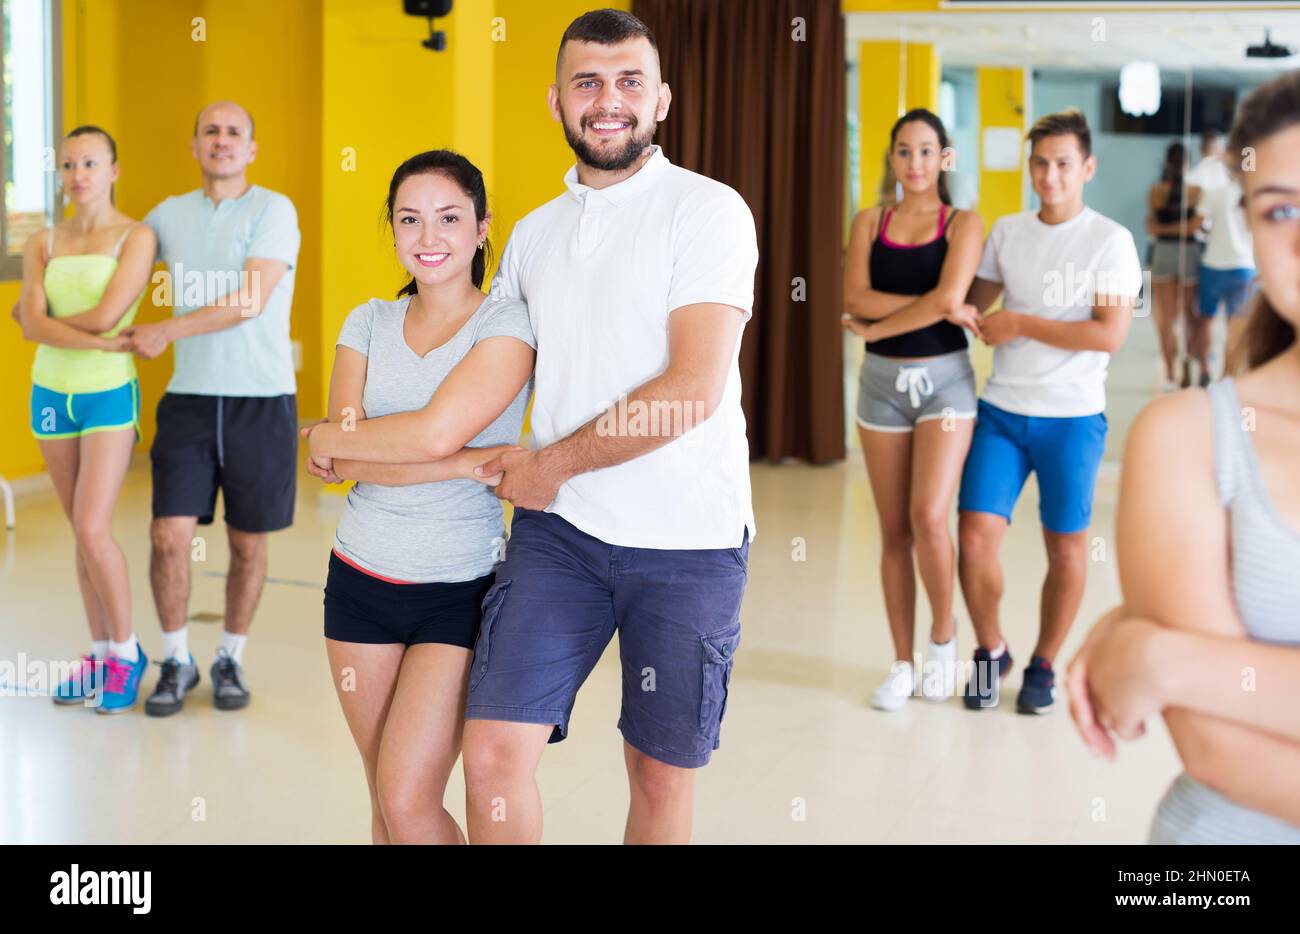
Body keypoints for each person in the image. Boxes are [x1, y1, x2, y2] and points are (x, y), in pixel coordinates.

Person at [1066, 71, 1300, 842]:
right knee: (1180, 333)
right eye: (1281, 209)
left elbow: (1175, 685)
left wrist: (1163, 659)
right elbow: (1216, 746)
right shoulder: (1187, 438)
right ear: (1254, 226)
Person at [302, 150, 535, 844]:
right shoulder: (366, 321)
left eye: (448, 218)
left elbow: (416, 435)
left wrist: (362, 443)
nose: (428, 237)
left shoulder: (508, 324)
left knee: (407, 798)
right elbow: (334, 455)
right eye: (409, 219)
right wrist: (465, 465)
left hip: (456, 590)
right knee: (384, 802)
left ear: (482, 229)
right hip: (358, 581)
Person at [958, 108, 1142, 714]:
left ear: (1086, 167)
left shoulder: (1110, 240)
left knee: (1066, 549)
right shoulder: (1009, 232)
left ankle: (1042, 665)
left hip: (1073, 419)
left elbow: (1109, 334)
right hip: (1003, 412)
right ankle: (991, 651)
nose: (1050, 175)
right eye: (1040, 163)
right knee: (975, 537)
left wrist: (1022, 323)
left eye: (1063, 164)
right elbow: (972, 305)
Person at [129, 100, 301, 716]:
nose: (222, 140)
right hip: (190, 403)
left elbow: (252, 298)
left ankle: (230, 655)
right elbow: (117, 268)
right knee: (168, 536)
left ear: (251, 148)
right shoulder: (167, 215)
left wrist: (166, 330)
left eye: (234, 132)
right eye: (211, 131)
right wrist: (49, 303)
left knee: (248, 544)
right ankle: (175, 657)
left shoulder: (274, 209)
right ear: (195, 144)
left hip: (262, 400)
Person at [841, 108, 984, 710]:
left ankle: (943, 639)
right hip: (881, 387)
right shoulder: (870, 220)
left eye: (927, 151)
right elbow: (852, 296)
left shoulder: (965, 223)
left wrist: (875, 326)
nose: (915, 162)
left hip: (945, 385)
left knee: (929, 516)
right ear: (892, 158)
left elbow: (954, 297)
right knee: (894, 531)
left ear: (944, 158)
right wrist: (929, 305)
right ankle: (903, 663)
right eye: (904, 151)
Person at [17, 125, 155, 714]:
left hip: (106, 397)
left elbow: (105, 314)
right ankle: (97, 652)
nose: (79, 175)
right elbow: (29, 323)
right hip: (51, 389)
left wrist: (62, 329)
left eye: (91, 163)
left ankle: (127, 653)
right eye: (70, 164)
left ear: (114, 170)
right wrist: (93, 340)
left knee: (94, 530)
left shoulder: (136, 236)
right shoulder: (42, 241)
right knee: (80, 532)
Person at [1191, 165, 1256, 384]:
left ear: (1228, 171)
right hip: (1244, 266)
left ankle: (1205, 369)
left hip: (1213, 265)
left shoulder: (1216, 194)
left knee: (1206, 320)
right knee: (1235, 325)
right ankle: (1226, 375)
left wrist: (1211, 232)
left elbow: (1196, 226)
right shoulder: (1255, 195)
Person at [1146, 142, 1202, 389]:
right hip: (1189, 252)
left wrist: (1164, 230)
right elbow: (1192, 228)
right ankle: (1188, 359)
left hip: (1163, 252)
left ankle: (1170, 372)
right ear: (1188, 163)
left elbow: (1152, 228)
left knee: (1166, 319)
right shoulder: (1196, 191)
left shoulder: (1156, 191)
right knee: (1190, 316)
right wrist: (1182, 230)